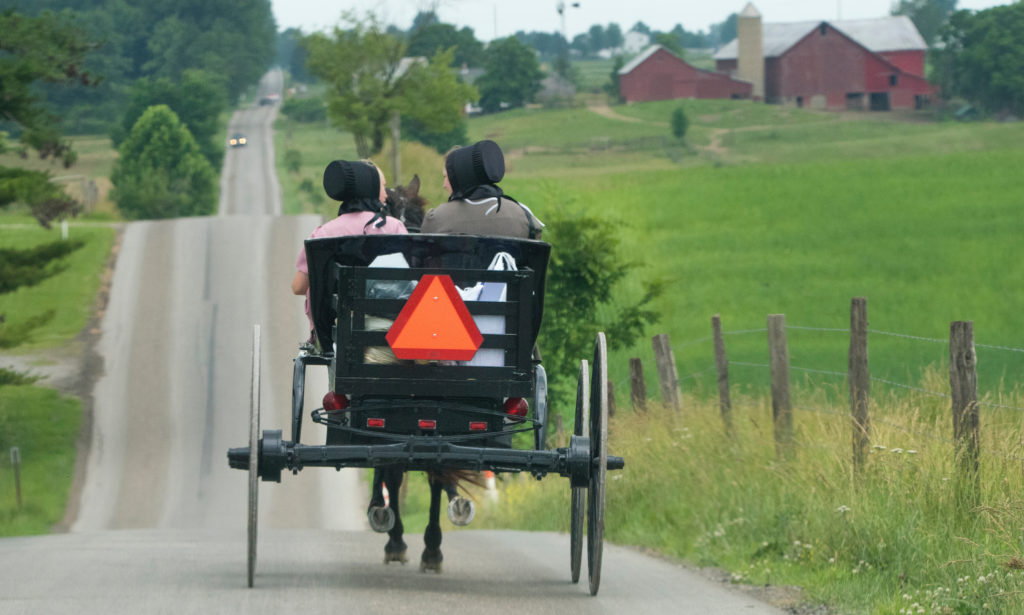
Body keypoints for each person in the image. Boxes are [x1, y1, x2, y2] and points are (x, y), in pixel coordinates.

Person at [292, 159, 407, 337]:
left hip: (333, 332)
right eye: (382, 187)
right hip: (390, 330)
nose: (386, 194)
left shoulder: (324, 233)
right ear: (370, 188)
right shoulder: (394, 227)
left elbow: (298, 287)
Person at [420, 140, 543, 239]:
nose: (444, 185)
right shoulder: (526, 218)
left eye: (446, 177)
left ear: (461, 177)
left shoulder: (437, 219)